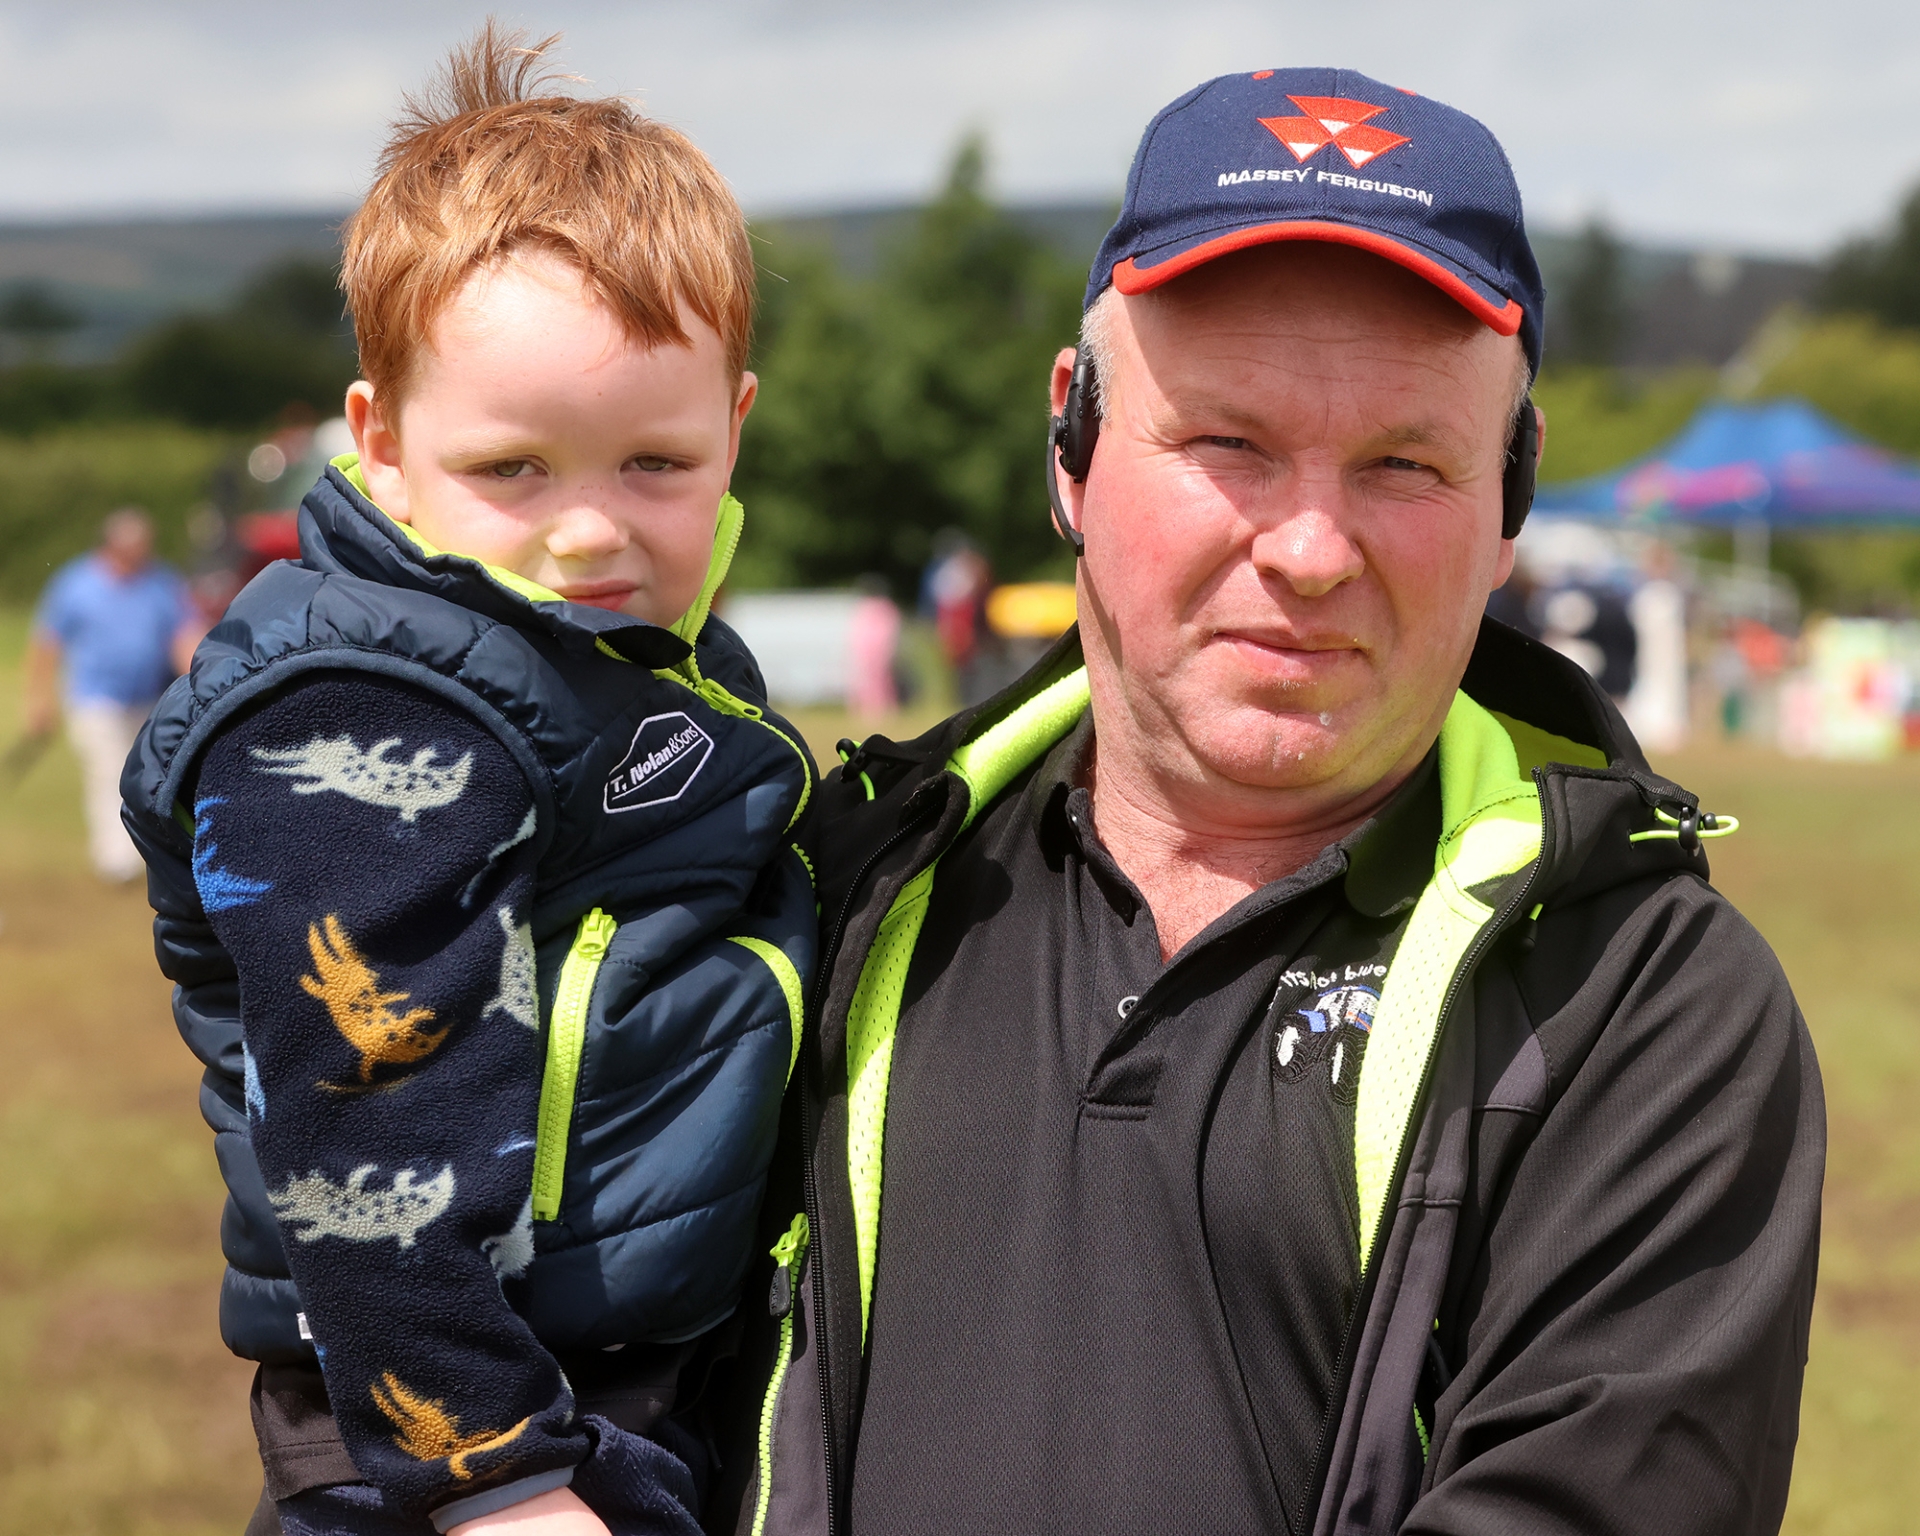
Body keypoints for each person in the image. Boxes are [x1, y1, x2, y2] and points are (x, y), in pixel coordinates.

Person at [726, 69, 1822, 1536]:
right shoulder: (821, 897)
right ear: (1072, 441)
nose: (1310, 548)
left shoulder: (1647, 1009)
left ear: (1514, 494)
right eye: (1227, 444)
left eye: (1404, 462)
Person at [121, 27, 813, 1536]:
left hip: (621, 1377)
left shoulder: (614, 661)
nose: (589, 533)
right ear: (379, 444)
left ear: (734, 424)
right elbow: (355, 1119)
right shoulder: (380, 716)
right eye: (514, 471)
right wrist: (490, 1478)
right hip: (458, 1424)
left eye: (656, 464)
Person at [23, 506, 188, 880]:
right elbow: (47, 644)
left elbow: (181, 635)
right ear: (111, 544)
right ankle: (117, 859)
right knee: (108, 771)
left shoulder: (161, 582)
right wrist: (39, 699)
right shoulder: (76, 582)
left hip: (149, 698)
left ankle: (146, 852)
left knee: (150, 777)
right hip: (94, 698)